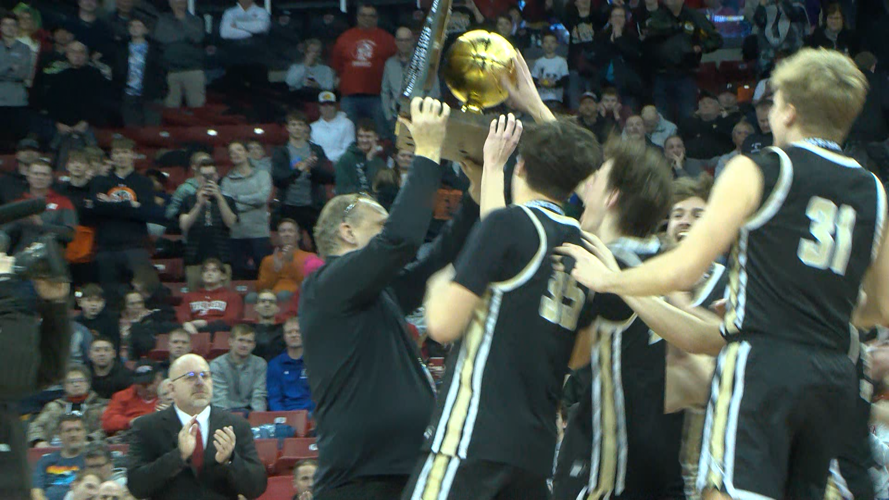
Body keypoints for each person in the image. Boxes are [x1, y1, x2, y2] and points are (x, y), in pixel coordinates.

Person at [560, 48, 886, 500]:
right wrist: (799, 298)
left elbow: (686, 266)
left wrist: (610, 280)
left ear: (787, 111)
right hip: (832, 377)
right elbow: (878, 308)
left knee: (727, 491)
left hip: (764, 366)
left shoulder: (761, 168)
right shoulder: (874, 190)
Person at [403, 104, 599, 498]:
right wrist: (491, 171)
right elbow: (578, 356)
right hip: (534, 449)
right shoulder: (587, 247)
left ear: (522, 166)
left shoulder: (508, 227)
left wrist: (440, 283)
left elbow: (441, 326)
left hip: (472, 438)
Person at [300, 96, 481, 499]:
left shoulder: (373, 292)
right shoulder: (326, 286)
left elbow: (437, 260)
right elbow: (400, 240)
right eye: (377, 223)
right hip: (358, 482)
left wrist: (477, 194)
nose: (387, 229)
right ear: (347, 231)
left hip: (406, 473)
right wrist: (428, 151)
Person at [126, 354, 267, 499]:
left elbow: (256, 488)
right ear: (171, 388)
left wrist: (231, 460)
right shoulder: (147, 427)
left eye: (205, 376)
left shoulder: (236, 425)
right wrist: (178, 456)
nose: (200, 382)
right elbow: (137, 487)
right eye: (191, 376)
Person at [88, 137, 157, 308]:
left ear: (133, 155)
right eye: (117, 152)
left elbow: (146, 212)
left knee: (143, 293)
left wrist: (110, 204)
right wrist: (130, 205)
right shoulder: (100, 182)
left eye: (125, 152)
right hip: (106, 247)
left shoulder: (144, 182)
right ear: (112, 156)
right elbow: (96, 209)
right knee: (110, 297)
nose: (121, 156)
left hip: (136, 247)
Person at [647, 0, 723, 123]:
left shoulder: (695, 16)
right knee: (661, 118)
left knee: (688, 116)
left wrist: (701, 47)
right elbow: (647, 38)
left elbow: (716, 39)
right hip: (660, 74)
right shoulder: (657, 16)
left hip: (685, 74)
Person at [331, 4, 396, 133]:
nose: (367, 18)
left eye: (371, 16)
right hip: (350, 97)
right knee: (349, 134)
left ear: (377, 18)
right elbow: (336, 66)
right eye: (363, 15)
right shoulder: (345, 38)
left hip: (377, 96)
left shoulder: (387, 39)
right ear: (357, 17)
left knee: (381, 132)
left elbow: (395, 65)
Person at [178, 160, 238, 290]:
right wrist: (199, 204)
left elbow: (231, 223)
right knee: (194, 299)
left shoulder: (228, 200)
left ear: (216, 176)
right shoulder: (188, 200)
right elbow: (184, 225)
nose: (207, 179)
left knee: (223, 298)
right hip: (194, 258)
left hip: (222, 258)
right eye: (204, 176)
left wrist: (219, 197)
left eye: (211, 175)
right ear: (198, 177)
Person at [272, 111, 333, 240]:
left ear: (306, 128)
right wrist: (299, 170)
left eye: (300, 124)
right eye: (293, 125)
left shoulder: (316, 150)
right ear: (288, 128)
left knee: (319, 243)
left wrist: (313, 169)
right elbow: (278, 180)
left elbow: (329, 177)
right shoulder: (281, 151)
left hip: (312, 206)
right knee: (291, 245)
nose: (297, 128)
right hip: (289, 206)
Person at [220, 141, 273, 280]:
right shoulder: (226, 181)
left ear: (247, 153)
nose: (235, 154)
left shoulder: (262, 174)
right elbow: (229, 206)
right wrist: (252, 203)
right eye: (232, 152)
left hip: (259, 233)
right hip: (236, 235)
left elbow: (262, 198)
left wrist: (237, 198)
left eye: (239, 150)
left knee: (265, 274)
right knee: (238, 275)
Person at [0, 158, 77, 254]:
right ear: (28, 177)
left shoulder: (64, 202)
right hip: (20, 255)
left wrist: (41, 225)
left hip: (51, 256)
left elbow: (70, 234)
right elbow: (4, 231)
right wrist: (19, 221)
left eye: (44, 174)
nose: (39, 177)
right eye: (36, 173)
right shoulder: (18, 203)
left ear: (50, 178)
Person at [28, 365, 107, 447]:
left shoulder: (100, 407)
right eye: (71, 381)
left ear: (88, 384)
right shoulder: (54, 407)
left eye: (80, 381)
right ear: (64, 386)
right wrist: (39, 441)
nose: (76, 384)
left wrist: (90, 440)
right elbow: (35, 427)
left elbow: (105, 430)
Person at [380, 26, 441, 133]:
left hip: (420, 117)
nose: (404, 43)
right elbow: (385, 92)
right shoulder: (390, 64)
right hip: (397, 117)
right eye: (400, 40)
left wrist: (424, 111)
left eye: (407, 40)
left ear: (413, 41)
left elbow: (435, 91)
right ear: (396, 42)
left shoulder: (426, 64)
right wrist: (388, 116)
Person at [113, 17, 166, 127]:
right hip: (128, 94)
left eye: (138, 25)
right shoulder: (120, 47)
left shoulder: (156, 49)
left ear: (146, 30)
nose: (134, 28)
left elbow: (161, 71)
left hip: (151, 94)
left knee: (152, 128)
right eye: (132, 25)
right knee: (132, 128)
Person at [154, 0, 205, 108]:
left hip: (193, 70)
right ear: (170, 2)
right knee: (171, 108)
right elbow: (162, 37)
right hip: (170, 71)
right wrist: (185, 36)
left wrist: (182, 20)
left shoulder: (196, 20)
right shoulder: (162, 20)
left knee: (197, 106)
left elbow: (197, 37)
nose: (179, 2)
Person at [255, 219, 316, 303]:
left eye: (290, 231)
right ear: (278, 236)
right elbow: (262, 289)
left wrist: (291, 262)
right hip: (272, 299)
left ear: (298, 236)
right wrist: (275, 270)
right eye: (282, 231)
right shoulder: (268, 260)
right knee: (251, 297)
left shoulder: (310, 257)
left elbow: (309, 285)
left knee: (283, 295)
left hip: (298, 297)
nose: (286, 234)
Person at [210, 324, 268, 412]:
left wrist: (257, 417)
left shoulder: (260, 364)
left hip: (250, 410)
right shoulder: (217, 364)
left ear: (254, 345)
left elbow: (259, 394)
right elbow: (219, 397)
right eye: (241, 340)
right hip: (225, 412)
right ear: (230, 342)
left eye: (249, 342)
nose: (244, 345)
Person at [177, 258, 244, 334]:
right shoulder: (190, 296)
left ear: (223, 276)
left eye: (214, 271)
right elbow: (182, 314)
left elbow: (232, 319)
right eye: (205, 271)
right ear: (202, 276)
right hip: (192, 329)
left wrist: (206, 323)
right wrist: (186, 324)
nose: (209, 273)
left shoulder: (233, 297)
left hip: (218, 330)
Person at [31, 414, 88, 500]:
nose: (73, 434)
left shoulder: (90, 460)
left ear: (84, 433)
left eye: (77, 430)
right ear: (59, 435)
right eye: (68, 431)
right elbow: (36, 491)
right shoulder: (45, 460)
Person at [101, 360, 161, 437]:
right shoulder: (122, 396)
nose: (147, 388)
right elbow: (107, 422)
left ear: (159, 378)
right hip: (130, 436)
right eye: (141, 384)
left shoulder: (169, 395)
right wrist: (131, 421)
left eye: (150, 383)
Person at [267, 317, 312, 412]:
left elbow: (319, 395)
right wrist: (284, 418)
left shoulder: (315, 362)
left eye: (297, 331)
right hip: (285, 416)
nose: (294, 335)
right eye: (289, 332)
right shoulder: (274, 365)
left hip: (311, 415)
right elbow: (274, 399)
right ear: (284, 336)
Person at [334, 120, 386, 195]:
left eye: (368, 137)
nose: (364, 140)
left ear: (376, 137)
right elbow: (342, 189)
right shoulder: (346, 159)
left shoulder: (379, 162)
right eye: (361, 136)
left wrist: (370, 160)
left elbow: (378, 188)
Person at [310, 92, 355, 163]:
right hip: (320, 165)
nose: (327, 107)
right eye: (324, 105)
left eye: (330, 104)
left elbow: (349, 148)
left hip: (341, 163)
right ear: (319, 107)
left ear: (336, 106)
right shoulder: (312, 127)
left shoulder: (347, 124)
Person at [532, 32, 570, 107]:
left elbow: (565, 80)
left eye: (552, 42)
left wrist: (554, 84)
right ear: (542, 45)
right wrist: (540, 83)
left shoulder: (562, 61)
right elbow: (533, 79)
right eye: (546, 42)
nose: (549, 45)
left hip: (556, 98)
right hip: (541, 98)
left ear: (557, 44)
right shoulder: (538, 62)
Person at [251, 290, 286, 361]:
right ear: (255, 307)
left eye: (271, 302)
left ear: (277, 308)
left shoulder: (285, 331)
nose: (267, 305)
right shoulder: (248, 330)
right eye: (263, 301)